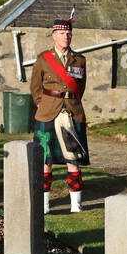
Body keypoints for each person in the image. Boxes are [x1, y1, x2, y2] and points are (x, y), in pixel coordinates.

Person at [29, 17, 89, 213]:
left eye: (69, 33)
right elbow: (35, 88)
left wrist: (69, 100)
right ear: (54, 35)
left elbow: (81, 86)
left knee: (74, 160)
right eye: (62, 33)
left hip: (72, 112)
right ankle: (44, 205)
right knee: (45, 160)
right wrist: (44, 103)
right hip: (47, 113)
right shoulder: (43, 59)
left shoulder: (80, 60)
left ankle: (76, 205)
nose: (66, 36)